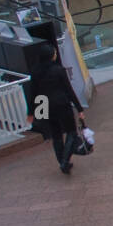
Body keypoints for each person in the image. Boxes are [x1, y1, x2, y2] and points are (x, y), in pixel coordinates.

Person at [29, 45, 84, 175]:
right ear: (51, 55)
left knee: (56, 135)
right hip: (62, 104)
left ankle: (61, 161)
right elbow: (69, 90)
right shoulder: (58, 70)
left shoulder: (35, 72)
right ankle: (65, 160)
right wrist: (79, 108)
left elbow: (33, 93)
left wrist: (31, 112)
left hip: (46, 106)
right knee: (71, 132)